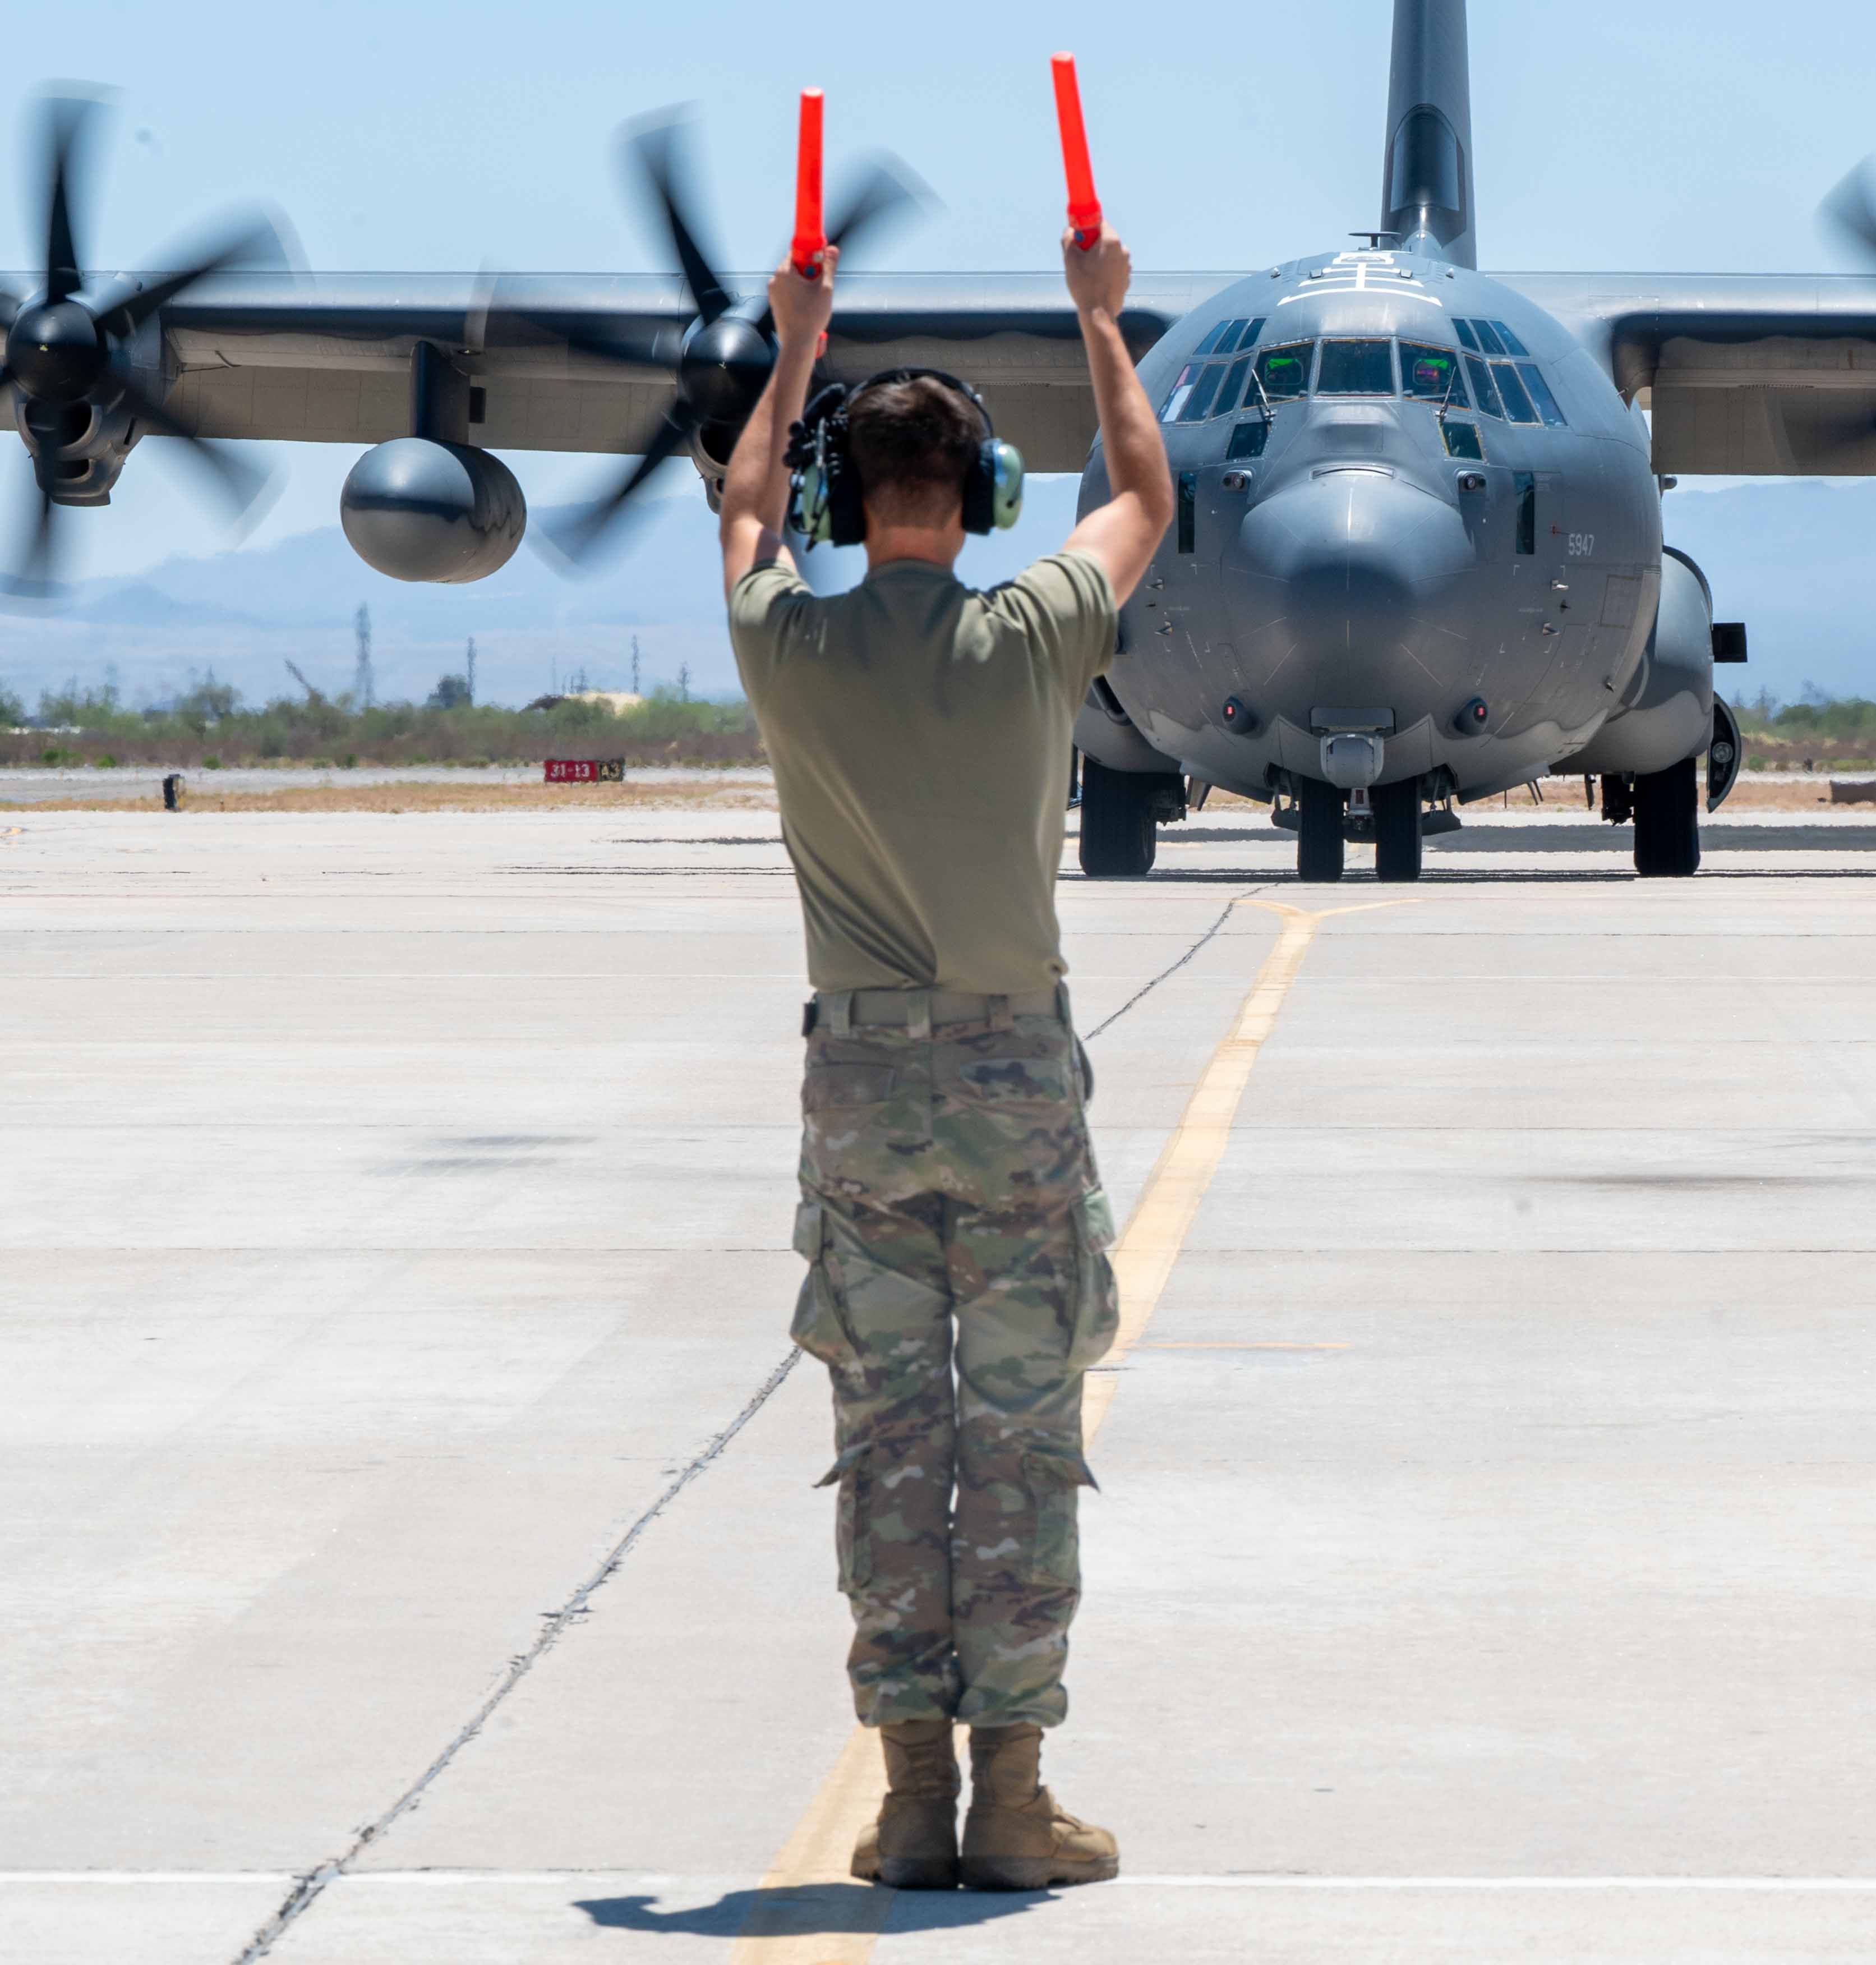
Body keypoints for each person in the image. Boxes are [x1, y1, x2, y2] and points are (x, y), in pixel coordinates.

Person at [718, 223, 1174, 1893]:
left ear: (853, 507)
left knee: (891, 1438)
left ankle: (911, 1797)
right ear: (980, 503)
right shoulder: (1041, 632)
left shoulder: (788, 645)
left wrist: (790, 349)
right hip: (1012, 1091)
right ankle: (1016, 1795)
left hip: (860, 1098)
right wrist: (1100, 324)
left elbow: (747, 513)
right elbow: (1144, 494)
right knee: (1026, 1430)